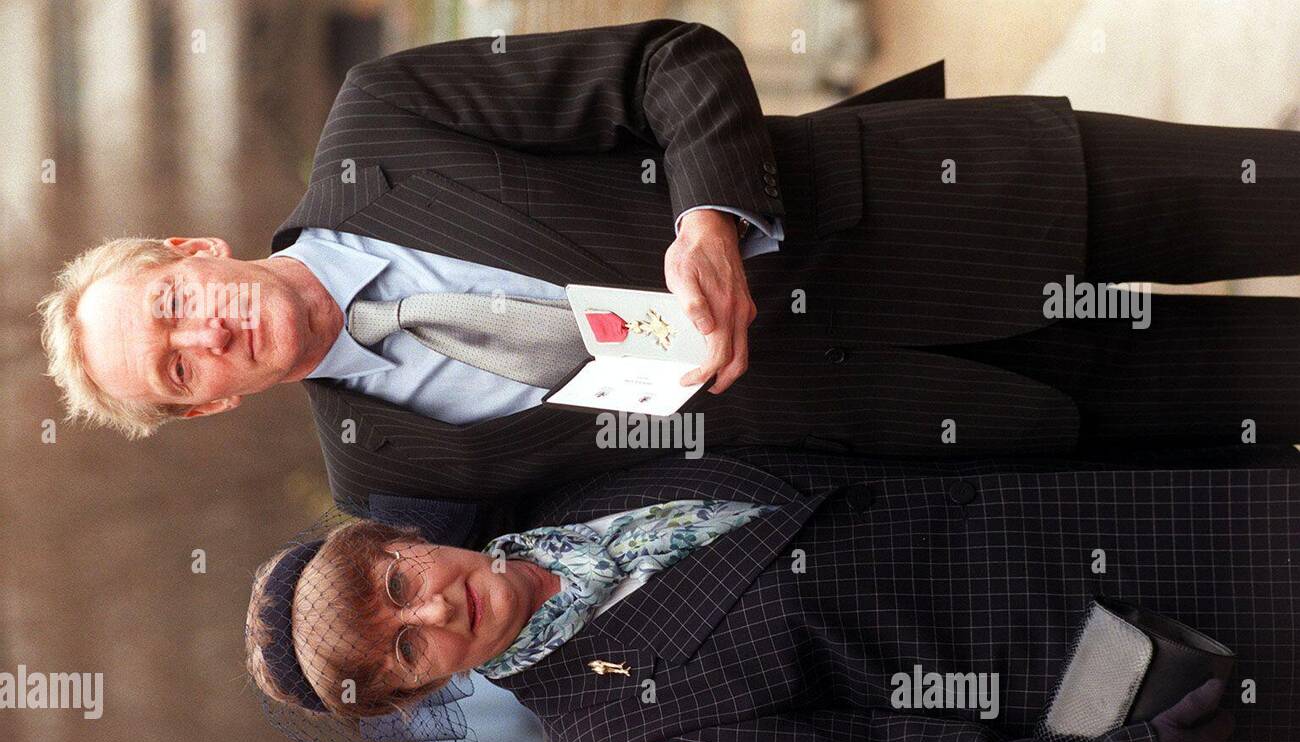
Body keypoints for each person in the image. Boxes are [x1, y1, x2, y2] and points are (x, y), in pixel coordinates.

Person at [40, 20, 1300, 511]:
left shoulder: (383, 119)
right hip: (955, 419)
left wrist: (706, 220)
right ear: (206, 405)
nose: (201, 333)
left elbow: (670, 62)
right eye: (175, 365)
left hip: (960, 210)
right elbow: (600, 589)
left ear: (192, 252)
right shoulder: (395, 492)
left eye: (171, 303)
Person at [242, 449, 1299, 742]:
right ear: (433, 685)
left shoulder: (561, 473)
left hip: (1123, 503)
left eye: (396, 584)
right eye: (412, 646)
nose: (436, 605)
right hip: (1128, 671)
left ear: (398, 538)